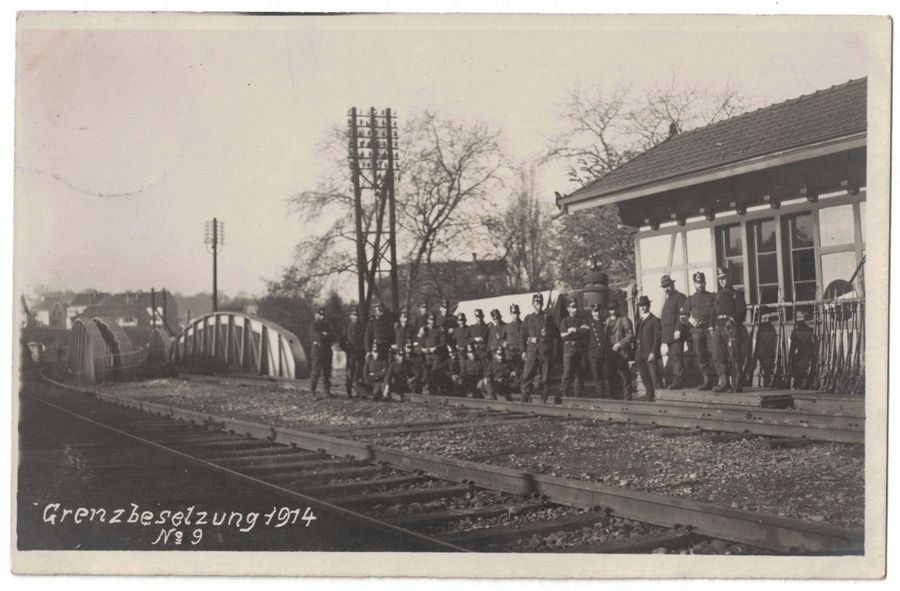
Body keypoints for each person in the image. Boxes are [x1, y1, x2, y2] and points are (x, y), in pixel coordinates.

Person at [712, 266, 748, 393]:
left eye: (725, 278)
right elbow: (713, 312)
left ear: (729, 278)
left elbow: (741, 311)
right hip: (719, 328)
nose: (722, 281)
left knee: (734, 355)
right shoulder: (717, 295)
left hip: (731, 327)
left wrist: (731, 320)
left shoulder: (736, 294)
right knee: (718, 355)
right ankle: (724, 382)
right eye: (720, 279)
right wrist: (713, 327)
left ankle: (737, 382)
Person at [680, 271, 717, 390]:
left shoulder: (712, 296)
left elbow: (717, 311)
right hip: (697, 332)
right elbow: (683, 316)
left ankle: (722, 379)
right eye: (698, 283)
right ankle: (707, 380)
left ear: (705, 282)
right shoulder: (690, 299)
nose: (700, 285)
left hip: (710, 330)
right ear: (694, 284)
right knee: (702, 356)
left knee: (716, 353)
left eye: (702, 282)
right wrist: (690, 320)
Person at [520, 292, 559, 404]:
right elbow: (523, 337)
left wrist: (548, 332)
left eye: (540, 302)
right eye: (536, 302)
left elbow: (556, 335)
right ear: (533, 304)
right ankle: (524, 400)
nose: (539, 304)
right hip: (532, 350)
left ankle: (543, 401)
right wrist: (523, 351)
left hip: (545, 350)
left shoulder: (549, 318)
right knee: (527, 376)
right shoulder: (528, 318)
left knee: (545, 378)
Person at [659, 274, 688, 389]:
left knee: (677, 357)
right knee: (673, 357)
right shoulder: (668, 299)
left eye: (668, 285)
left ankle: (679, 381)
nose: (666, 288)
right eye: (664, 287)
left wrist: (678, 329)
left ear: (672, 284)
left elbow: (682, 315)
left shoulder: (680, 297)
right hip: (668, 335)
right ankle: (675, 380)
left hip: (676, 334)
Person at [559, 299, 589, 399]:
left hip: (580, 348)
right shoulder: (564, 321)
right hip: (569, 348)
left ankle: (578, 396)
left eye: (576, 306)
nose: (575, 309)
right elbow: (563, 335)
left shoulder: (581, 319)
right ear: (568, 309)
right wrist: (577, 331)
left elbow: (586, 330)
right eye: (572, 307)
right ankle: (563, 395)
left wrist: (573, 329)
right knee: (567, 373)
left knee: (579, 374)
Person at [606, 298, 635, 400]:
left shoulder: (624, 320)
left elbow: (630, 336)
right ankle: (615, 400)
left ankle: (627, 400)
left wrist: (619, 344)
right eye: (610, 309)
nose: (612, 311)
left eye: (613, 309)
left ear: (617, 308)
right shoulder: (607, 321)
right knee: (612, 378)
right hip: (610, 354)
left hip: (621, 353)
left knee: (625, 378)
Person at [635, 295, 662, 401]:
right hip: (640, 354)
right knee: (644, 377)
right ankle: (649, 396)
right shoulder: (640, 320)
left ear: (649, 305)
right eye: (640, 306)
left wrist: (653, 352)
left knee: (654, 377)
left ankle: (660, 398)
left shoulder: (654, 320)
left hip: (650, 354)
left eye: (644, 305)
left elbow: (657, 337)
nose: (642, 308)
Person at [418, 312, 448, 395]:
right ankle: (428, 389)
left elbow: (443, 343)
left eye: (434, 319)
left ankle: (436, 389)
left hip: (436, 355)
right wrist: (422, 349)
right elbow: (420, 341)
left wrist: (436, 348)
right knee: (426, 373)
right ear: (428, 320)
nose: (432, 321)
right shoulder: (424, 330)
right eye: (431, 319)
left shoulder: (439, 330)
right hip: (426, 355)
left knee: (435, 372)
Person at [586, 303, 611, 398]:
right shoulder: (589, 323)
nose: (597, 313)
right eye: (595, 311)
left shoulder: (603, 322)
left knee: (605, 374)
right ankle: (600, 395)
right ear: (592, 312)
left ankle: (607, 394)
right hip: (593, 353)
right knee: (596, 376)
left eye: (598, 311)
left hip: (602, 352)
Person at [309, 307, 334, 400]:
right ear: (316, 315)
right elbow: (318, 338)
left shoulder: (326, 326)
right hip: (318, 351)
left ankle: (326, 392)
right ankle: (312, 392)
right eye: (320, 314)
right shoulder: (313, 326)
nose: (322, 316)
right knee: (316, 371)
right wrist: (324, 335)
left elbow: (333, 337)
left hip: (326, 350)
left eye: (323, 314)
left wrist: (325, 335)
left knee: (326, 372)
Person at [341, 307, 365, 398]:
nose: (356, 317)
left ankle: (359, 391)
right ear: (350, 316)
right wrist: (347, 349)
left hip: (360, 352)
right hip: (351, 353)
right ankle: (348, 391)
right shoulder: (347, 327)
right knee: (350, 373)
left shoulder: (362, 327)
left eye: (357, 315)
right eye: (354, 315)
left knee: (359, 372)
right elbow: (342, 341)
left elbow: (365, 339)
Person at [789, 311, 815, 390]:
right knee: (804, 370)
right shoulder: (810, 330)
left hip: (798, 354)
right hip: (807, 354)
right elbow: (812, 345)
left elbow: (792, 347)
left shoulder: (795, 331)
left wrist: (790, 357)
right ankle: (803, 385)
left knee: (797, 371)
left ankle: (797, 385)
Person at [503, 303, 526, 372]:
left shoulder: (524, 325)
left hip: (520, 354)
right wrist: (504, 343)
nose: (515, 315)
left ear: (519, 313)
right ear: (510, 314)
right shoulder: (507, 326)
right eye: (513, 313)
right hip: (510, 355)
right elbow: (502, 338)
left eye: (516, 313)